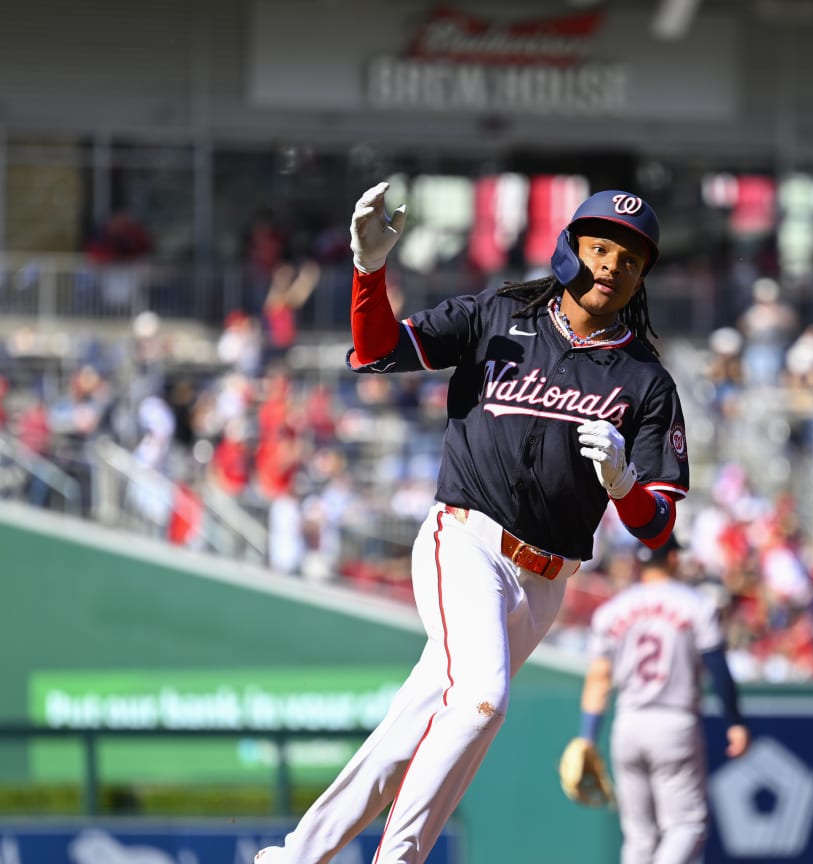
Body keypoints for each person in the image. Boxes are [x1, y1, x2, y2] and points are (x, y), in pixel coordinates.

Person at [256, 184, 690, 864]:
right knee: (482, 699)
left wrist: (625, 486)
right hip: (466, 539)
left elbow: (658, 526)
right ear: (570, 248)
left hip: (545, 583)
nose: (612, 264)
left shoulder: (646, 380)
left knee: (411, 730)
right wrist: (369, 271)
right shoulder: (499, 315)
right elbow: (379, 351)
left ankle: (295, 856)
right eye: (600, 246)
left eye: (630, 258)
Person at [574, 534, 750, 864]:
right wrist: (735, 723)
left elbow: (598, 679)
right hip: (674, 721)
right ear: (672, 559)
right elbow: (718, 669)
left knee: (639, 837)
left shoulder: (612, 610)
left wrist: (587, 737)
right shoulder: (696, 604)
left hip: (627, 724)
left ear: (640, 563)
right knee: (687, 826)